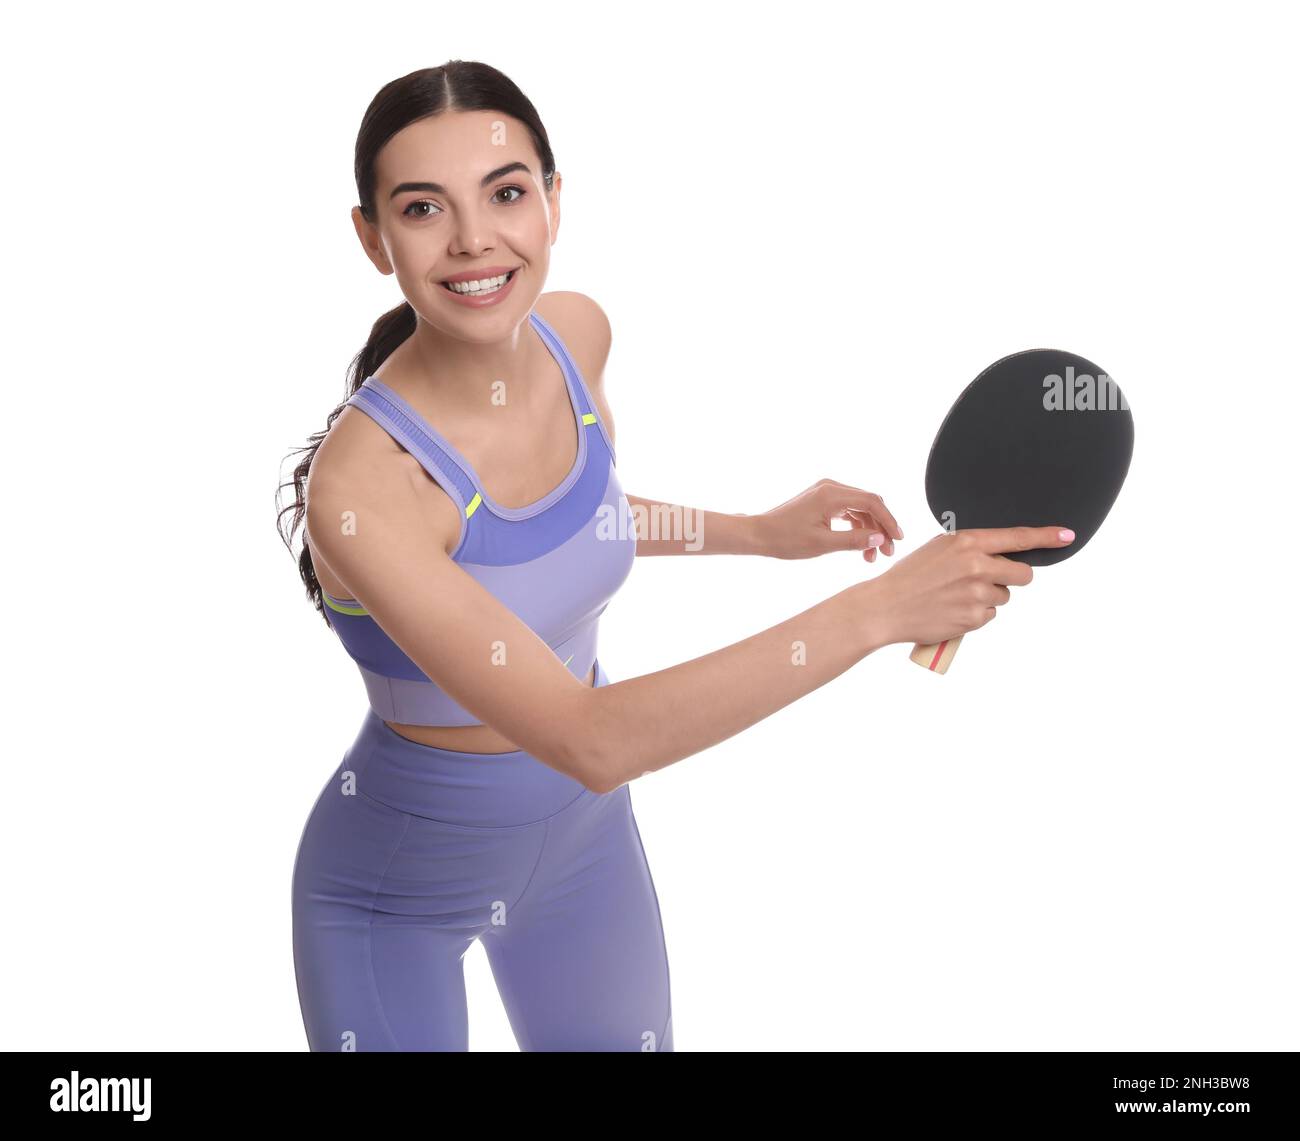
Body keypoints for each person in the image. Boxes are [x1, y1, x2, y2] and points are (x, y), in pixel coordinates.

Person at [276, 60, 1073, 1052]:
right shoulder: (363, 489)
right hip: (394, 893)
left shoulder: (573, 337)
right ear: (372, 236)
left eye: (507, 192)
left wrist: (756, 533)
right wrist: (881, 612)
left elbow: (565, 524)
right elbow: (591, 736)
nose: (475, 238)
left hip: (581, 849)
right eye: (423, 207)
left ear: (554, 202)